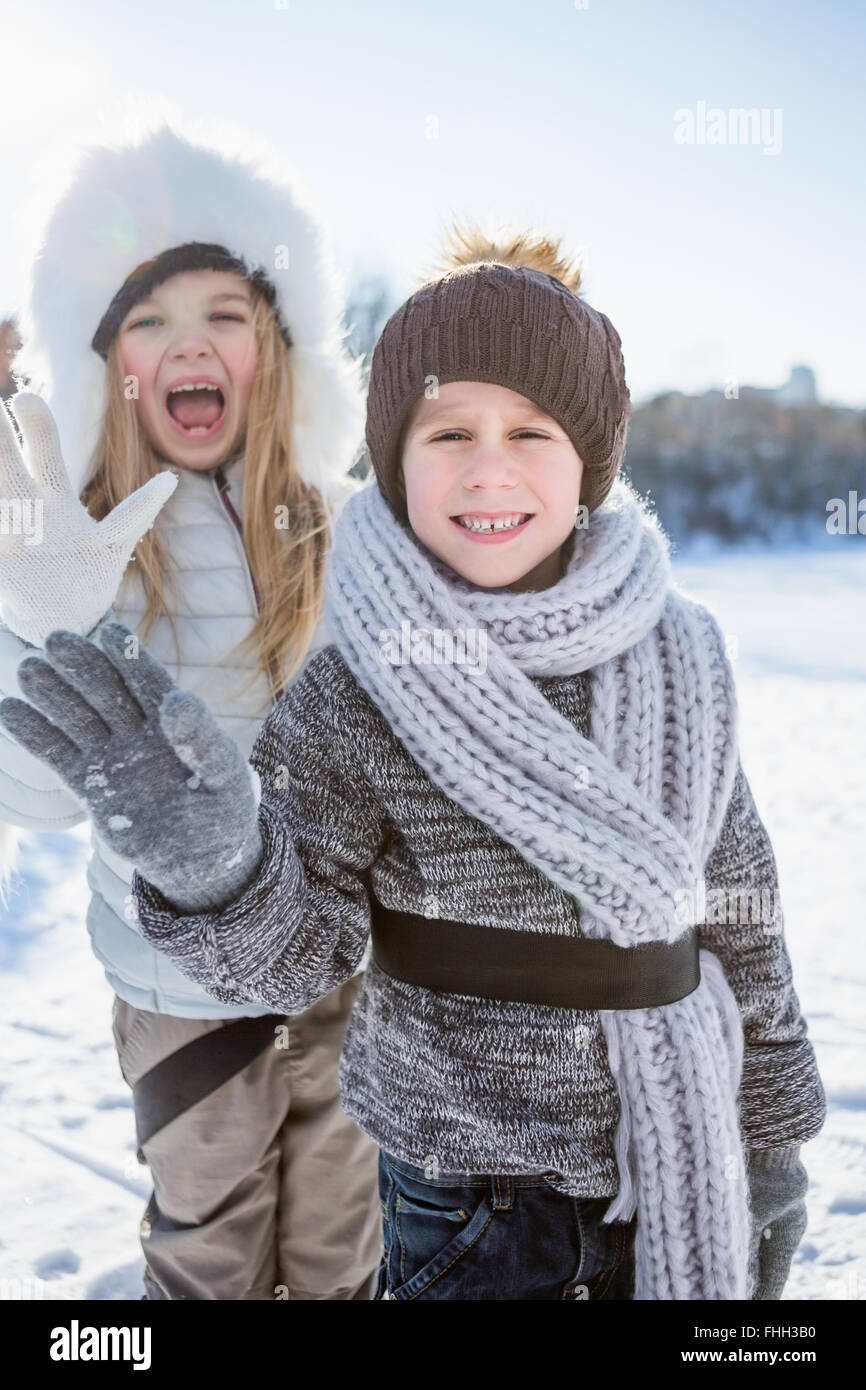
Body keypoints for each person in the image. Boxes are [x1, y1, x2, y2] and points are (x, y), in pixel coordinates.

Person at [0, 226, 826, 1301]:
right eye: (447, 433)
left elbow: (741, 918)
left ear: (591, 463)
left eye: (531, 431)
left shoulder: (680, 659)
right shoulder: (356, 687)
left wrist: (768, 1142)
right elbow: (302, 958)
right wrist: (216, 867)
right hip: (463, 1212)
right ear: (393, 462)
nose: (489, 469)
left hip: (672, 1177)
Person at [0, 123, 383, 1300]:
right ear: (107, 363)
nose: (189, 344)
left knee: (340, 1249)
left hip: (342, 972)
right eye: (147, 321)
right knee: (209, 1252)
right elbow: (41, 803)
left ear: (275, 347)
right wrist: (36, 622)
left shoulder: (345, 528)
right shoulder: (75, 544)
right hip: (181, 1000)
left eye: (225, 311)